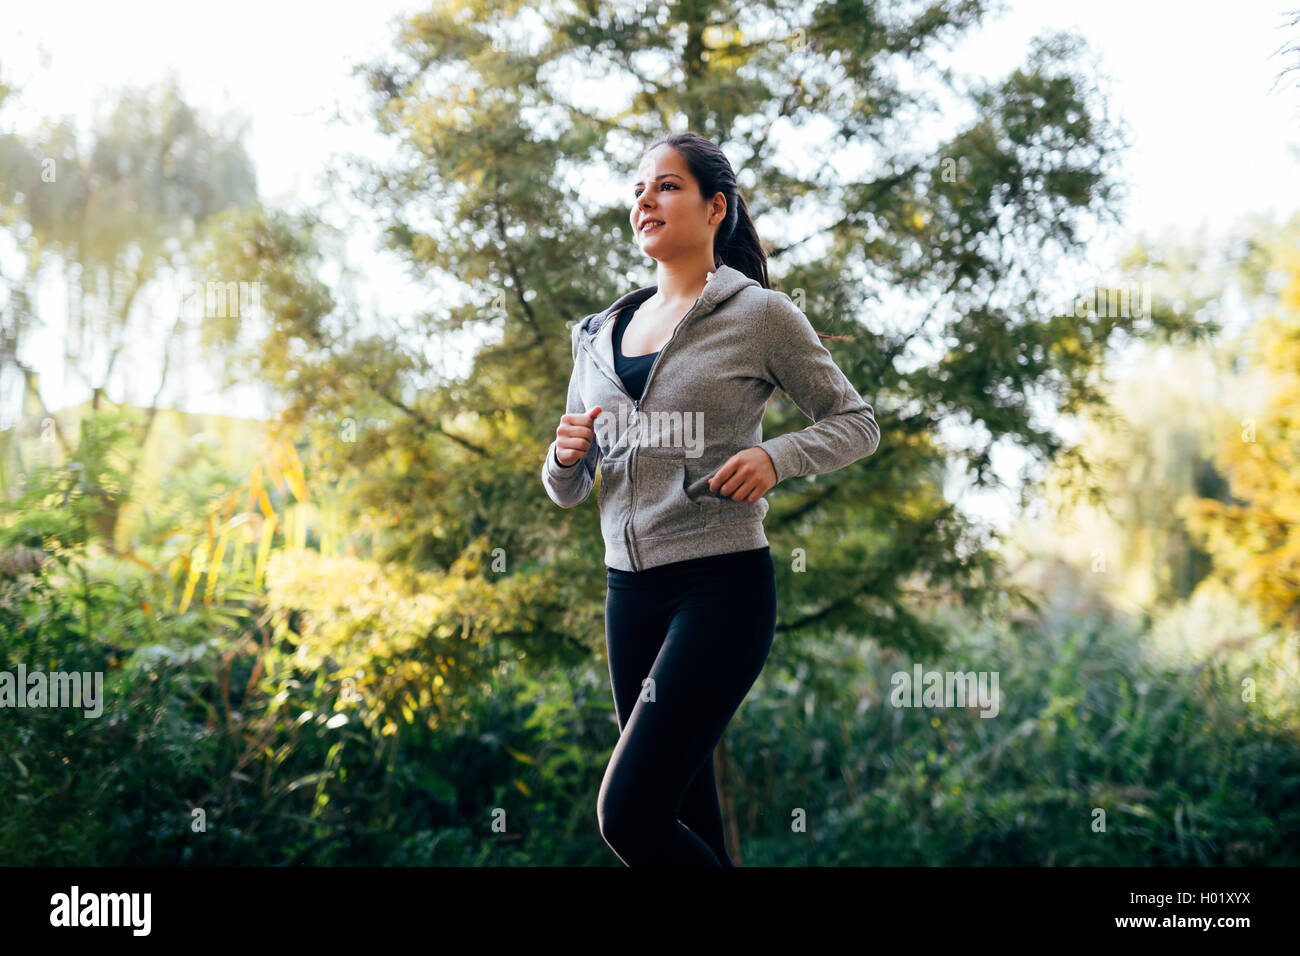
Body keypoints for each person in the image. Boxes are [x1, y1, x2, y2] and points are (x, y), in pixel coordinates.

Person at [541, 131, 881, 866]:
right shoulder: (598, 337)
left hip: (720, 587)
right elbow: (569, 486)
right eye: (638, 189)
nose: (645, 200)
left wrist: (774, 455)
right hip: (628, 594)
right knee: (680, 813)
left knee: (627, 815)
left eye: (666, 186)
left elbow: (856, 423)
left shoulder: (758, 314)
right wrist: (564, 456)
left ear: (714, 206)